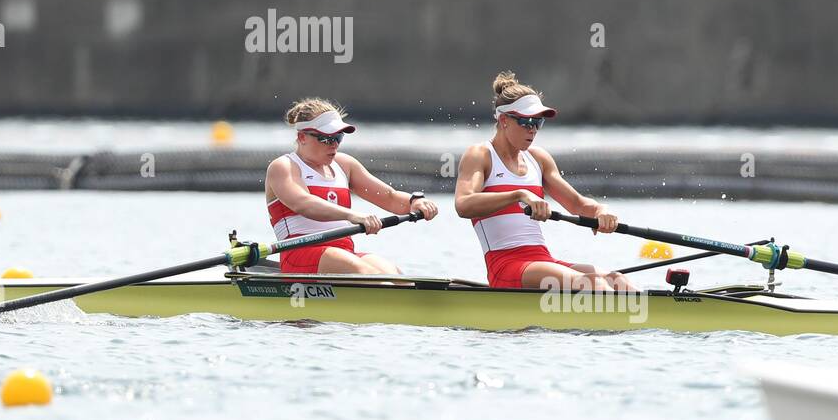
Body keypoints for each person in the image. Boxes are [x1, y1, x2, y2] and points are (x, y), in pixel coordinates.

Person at [454, 72, 636, 292]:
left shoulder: (538, 159)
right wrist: (519, 195)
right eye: (525, 121)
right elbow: (464, 205)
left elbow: (578, 205)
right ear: (503, 120)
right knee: (594, 286)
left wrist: (601, 211)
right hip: (506, 266)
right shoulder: (480, 155)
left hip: (541, 261)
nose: (532, 129)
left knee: (619, 282)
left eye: (537, 122)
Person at [265, 98, 439, 274]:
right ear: (302, 137)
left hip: (343, 253)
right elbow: (304, 203)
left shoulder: (344, 164)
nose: (334, 144)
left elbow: (389, 197)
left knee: (395, 274)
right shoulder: (284, 166)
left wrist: (414, 201)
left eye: (338, 137)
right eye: (326, 138)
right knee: (369, 275)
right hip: (299, 255)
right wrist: (355, 216)